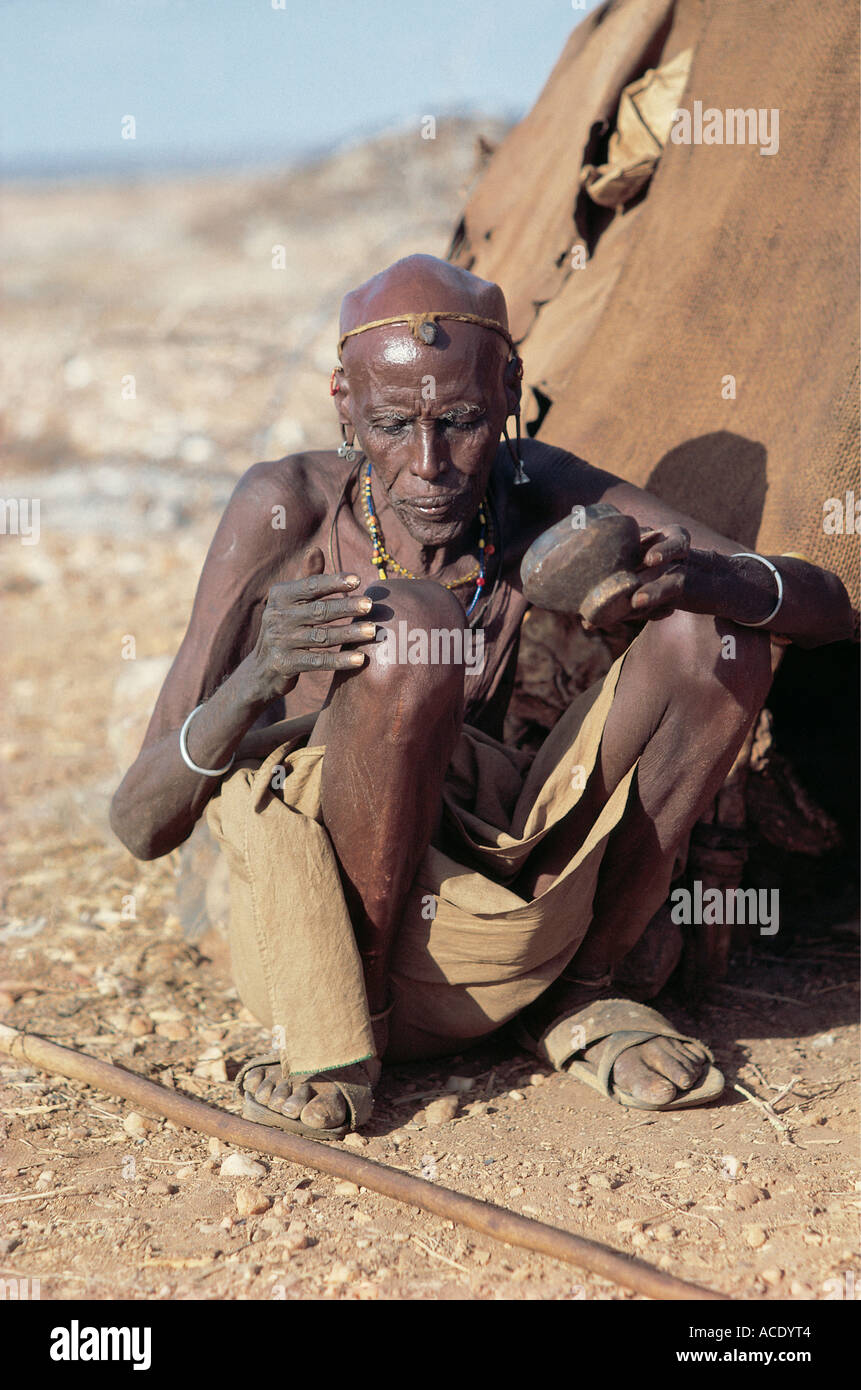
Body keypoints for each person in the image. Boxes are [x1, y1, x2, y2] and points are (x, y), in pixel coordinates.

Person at [110, 254, 853, 1140]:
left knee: (715, 631)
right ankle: (354, 1032)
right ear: (343, 405)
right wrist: (255, 679)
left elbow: (829, 606)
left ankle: (583, 997)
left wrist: (696, 578)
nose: (428, 465)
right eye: (390, 425)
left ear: (508, 391)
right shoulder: (286, 509)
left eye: (460, 422)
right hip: (329, 934)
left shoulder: (532, 487)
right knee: (408, 626)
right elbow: (139, 823)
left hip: (493, 888)